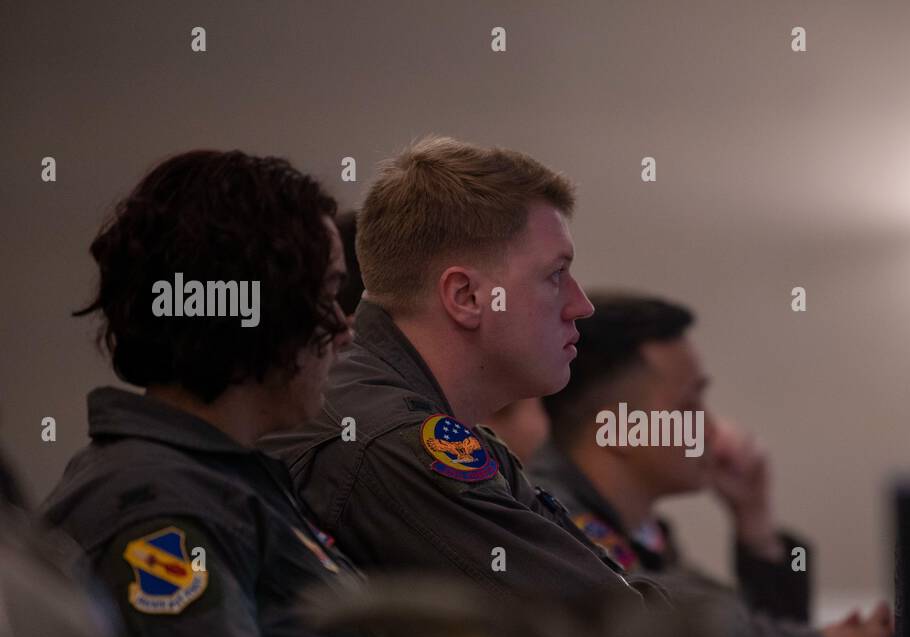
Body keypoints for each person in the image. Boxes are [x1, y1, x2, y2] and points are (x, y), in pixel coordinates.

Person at [40, 150, 406, 637]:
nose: (344, 330)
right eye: (328, 294)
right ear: (259, 308)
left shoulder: (226, 481)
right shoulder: (160, 510)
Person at [261, 136, 650, 608]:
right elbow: (607, 622)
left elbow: (609, 597)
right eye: (555, 275)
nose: (580, 305)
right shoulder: (387, 441)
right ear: (465, 296)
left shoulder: (432, 427)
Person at [533, 293, 894, 637]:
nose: (710, 429)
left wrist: (755, 527)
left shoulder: (640, 532)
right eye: (687, 407)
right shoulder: (551, 518)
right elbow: (665, 634)